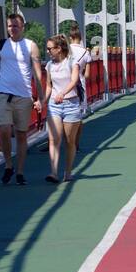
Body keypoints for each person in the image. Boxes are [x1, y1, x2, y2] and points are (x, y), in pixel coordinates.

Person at [0, 11, 45, 186]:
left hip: (24, 96)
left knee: (22, 135)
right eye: (9, 26)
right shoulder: (1, 45)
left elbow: (38, 74)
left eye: (15, 25)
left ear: (22, 27)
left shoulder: (31, 45)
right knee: (4, 130)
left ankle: (20, 171)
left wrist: (40, 98)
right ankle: (8, 165)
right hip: (4, 94)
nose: (12, 29)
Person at [42, 34, 84, 183]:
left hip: (71, 104)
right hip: (54, 105)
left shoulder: (73, 63)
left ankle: (68, 172)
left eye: (49, 49)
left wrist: (63, 93)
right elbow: (48, 86)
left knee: (70, 141)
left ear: (59, 49)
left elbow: (74, 81)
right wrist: (42, 101)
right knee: (54, 139)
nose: (47, 52)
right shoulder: (49, 65)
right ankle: (53, 172)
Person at [69, 27, 93, 113]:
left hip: (66, 82)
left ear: (70, 38)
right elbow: (87, 75)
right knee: (78, 111)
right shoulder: (85, 52)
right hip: (79, 83)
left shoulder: (65, 51)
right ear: (81, 38)